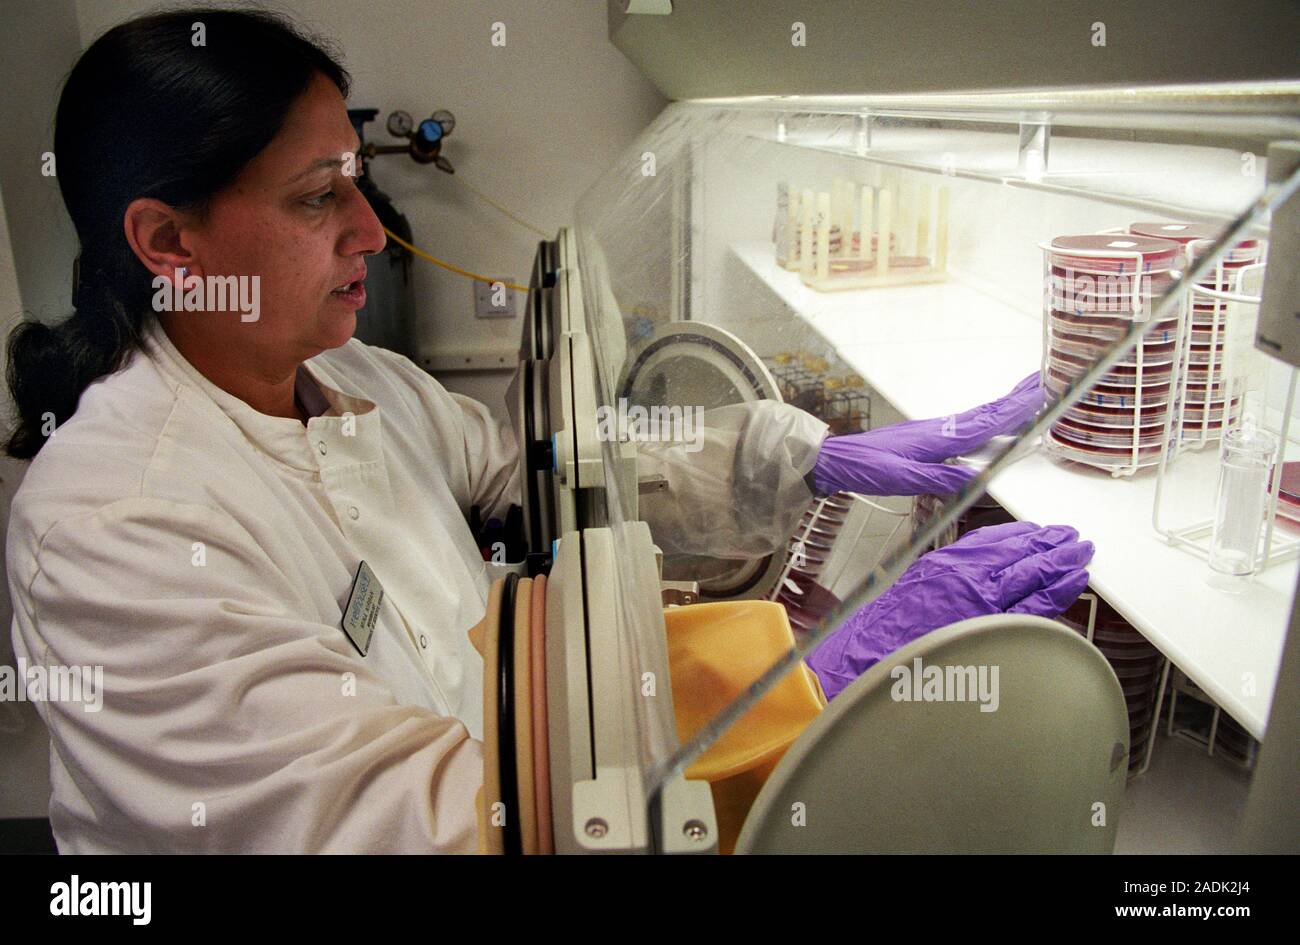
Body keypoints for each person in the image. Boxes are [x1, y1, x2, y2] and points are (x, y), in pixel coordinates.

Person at [3, 8, 1089, 853]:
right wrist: (808, 693)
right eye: (314, 199)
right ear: (167, 242)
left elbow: (550, 479)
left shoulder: (347, 375)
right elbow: (403, 832)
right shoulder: (116, 527)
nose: (371, 234)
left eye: (361, 184)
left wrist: (798, 456)